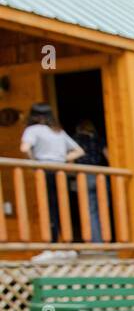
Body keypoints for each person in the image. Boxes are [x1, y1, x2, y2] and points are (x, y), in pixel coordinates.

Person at [20, 103, 85, 242]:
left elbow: (25, 148)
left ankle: (53, 244)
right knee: (62, 205)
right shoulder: (58, 131)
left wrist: (34, 162)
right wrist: (61, 159)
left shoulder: (33, 129)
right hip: (61, 171)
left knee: (48, 207)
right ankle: (67, 243)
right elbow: (79, 151)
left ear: (33, 116)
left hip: (45, 171)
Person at [71, 120, 109, 243]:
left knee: (89, 211)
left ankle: (97, 242)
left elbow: (71, 159)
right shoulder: (98, 140)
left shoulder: (76, 139)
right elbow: (108, 156)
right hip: (100, 176)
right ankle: (105, 239)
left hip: (84, 176)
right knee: (103, 209)